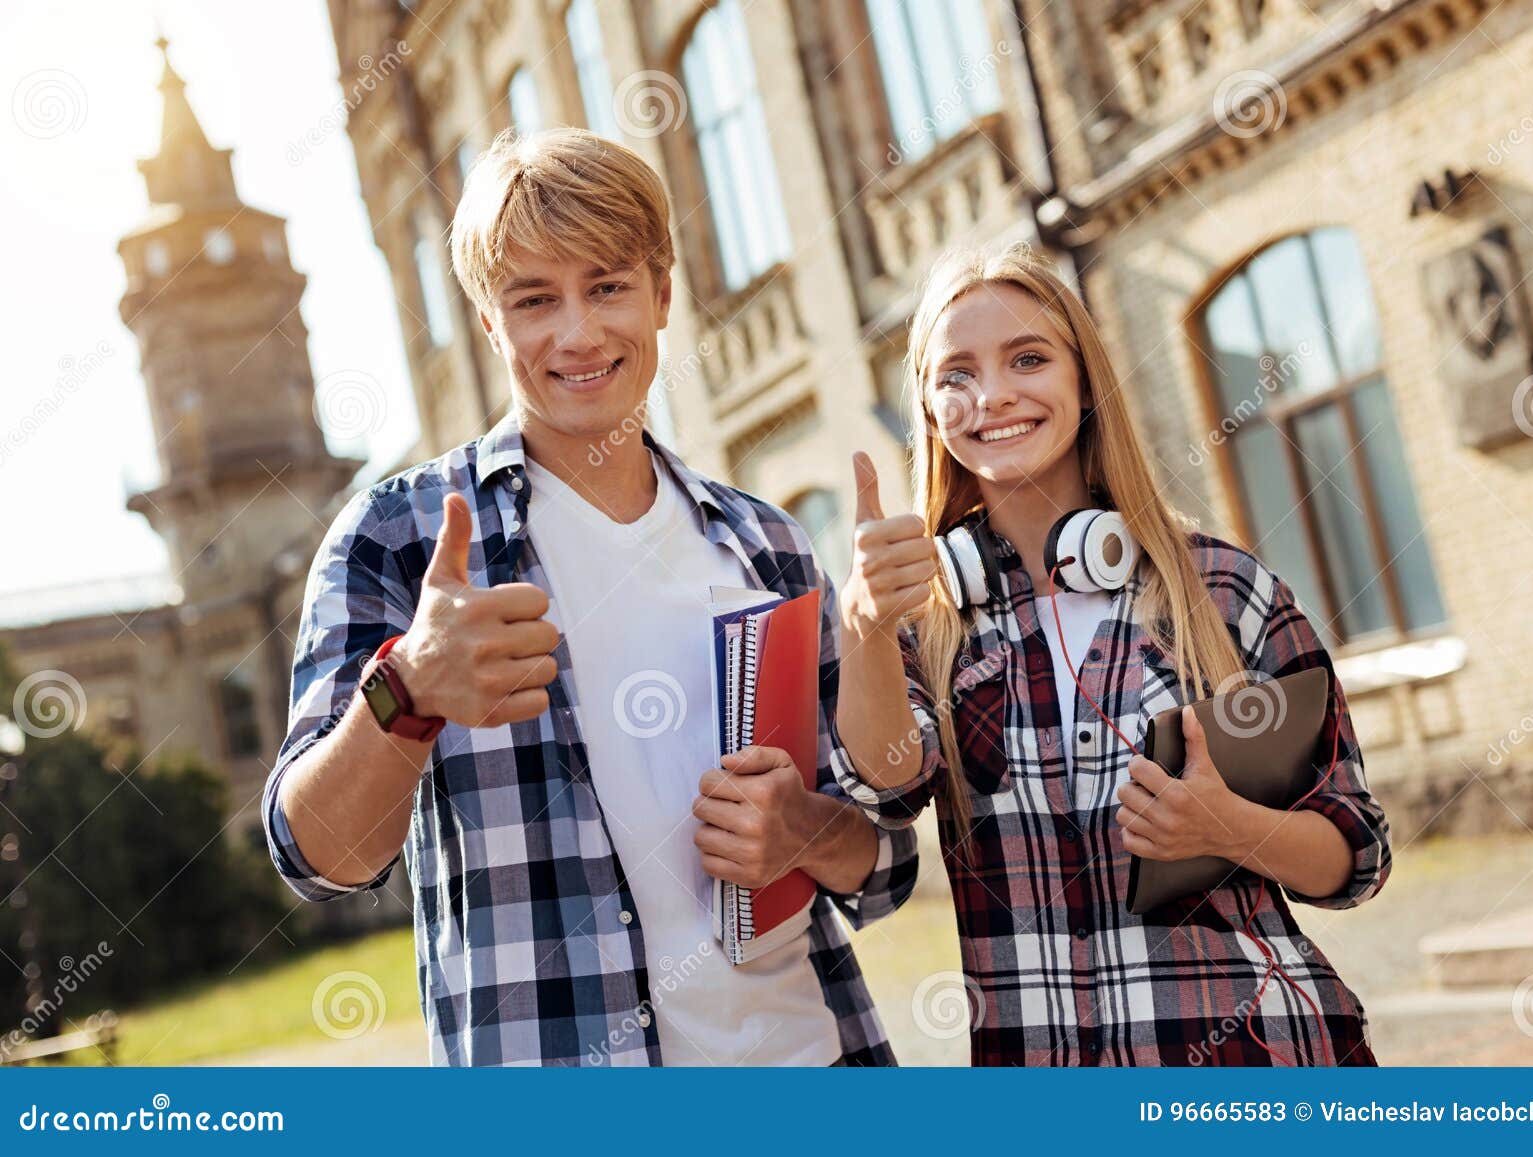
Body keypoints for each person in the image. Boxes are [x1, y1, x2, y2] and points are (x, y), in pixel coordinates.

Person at [262, 128, 917, 1066]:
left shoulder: (765, 543)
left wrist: (805, 828)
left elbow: (885, 865)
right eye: (535, 299)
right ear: (491, 323)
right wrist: (405, 693)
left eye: (607, 285)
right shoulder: (398, 540)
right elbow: (319, 855)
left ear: (661, 294)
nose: (577, 333)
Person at [833, 242, 1390, 1066]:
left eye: (1028, 357)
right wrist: (866, 626)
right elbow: (885, 785)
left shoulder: (1225, 591)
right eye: (956, 373)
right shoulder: (923, 626)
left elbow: (1357, 855)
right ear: (927, 407)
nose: (992, 395)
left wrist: (1229, 826)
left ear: (1085, 383)